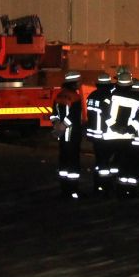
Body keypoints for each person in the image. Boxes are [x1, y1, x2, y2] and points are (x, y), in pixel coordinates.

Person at [108, 68, 139, 195]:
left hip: (133, 138)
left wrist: (120, 128)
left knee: (128, 163)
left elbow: (109, 116)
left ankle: (126, 188)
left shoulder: (118, 97)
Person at [53, 71, 86, 199]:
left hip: (61, 136)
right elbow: (73, 116)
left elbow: (53, 113)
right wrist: (64, 125)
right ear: (74, 83)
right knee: (73, 163)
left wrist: (57, 124)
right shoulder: (75, 97)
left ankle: (64, 189)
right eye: (79, 81)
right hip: (72, 135)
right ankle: (73, 190)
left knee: (63, 162)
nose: (80, 83)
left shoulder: (59, 95)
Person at [86, 73, 116, 194]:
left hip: (94, 135)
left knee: (99, 161)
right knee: (105, 162)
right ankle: (105, 186)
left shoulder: (92, 95)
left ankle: (97, 185)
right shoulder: (107, 97)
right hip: (105, 135)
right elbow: (107, 116)